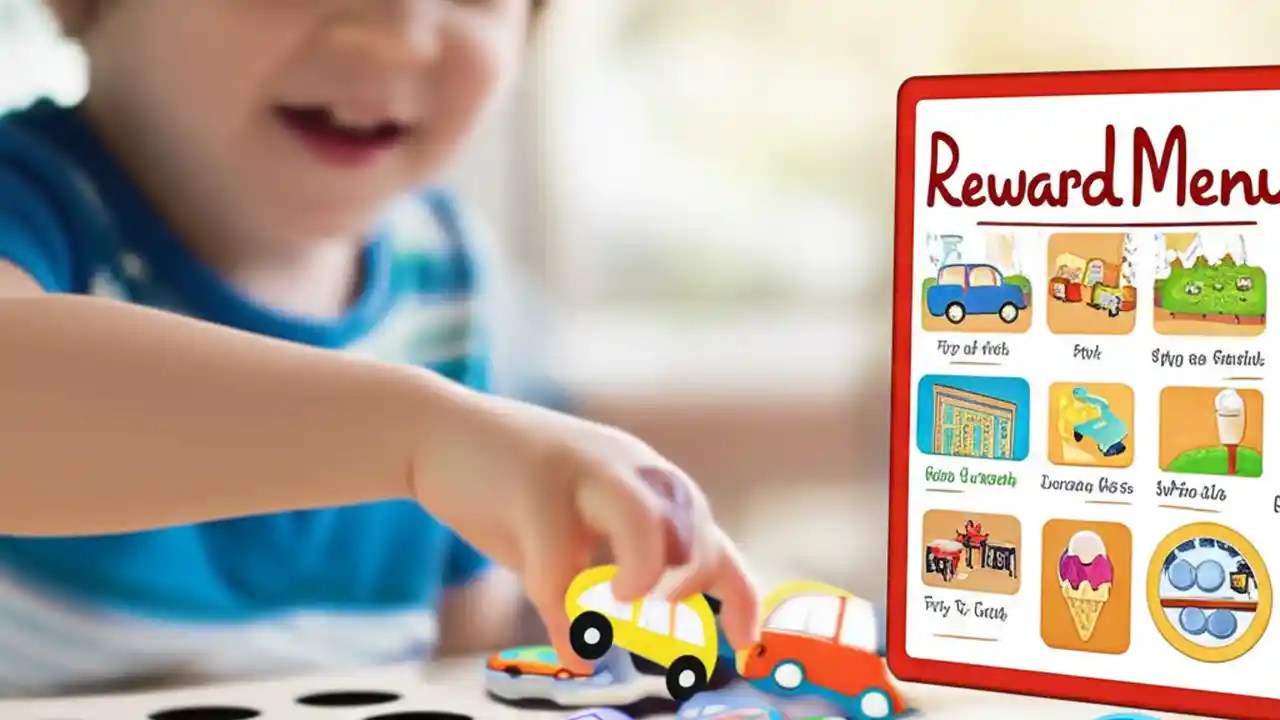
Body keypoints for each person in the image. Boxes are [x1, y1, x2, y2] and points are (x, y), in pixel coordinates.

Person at [0, 0, 759, 695]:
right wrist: (421, 439)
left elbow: (464, 649)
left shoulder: (449, 270)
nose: (398, 35)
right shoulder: (29, 201)